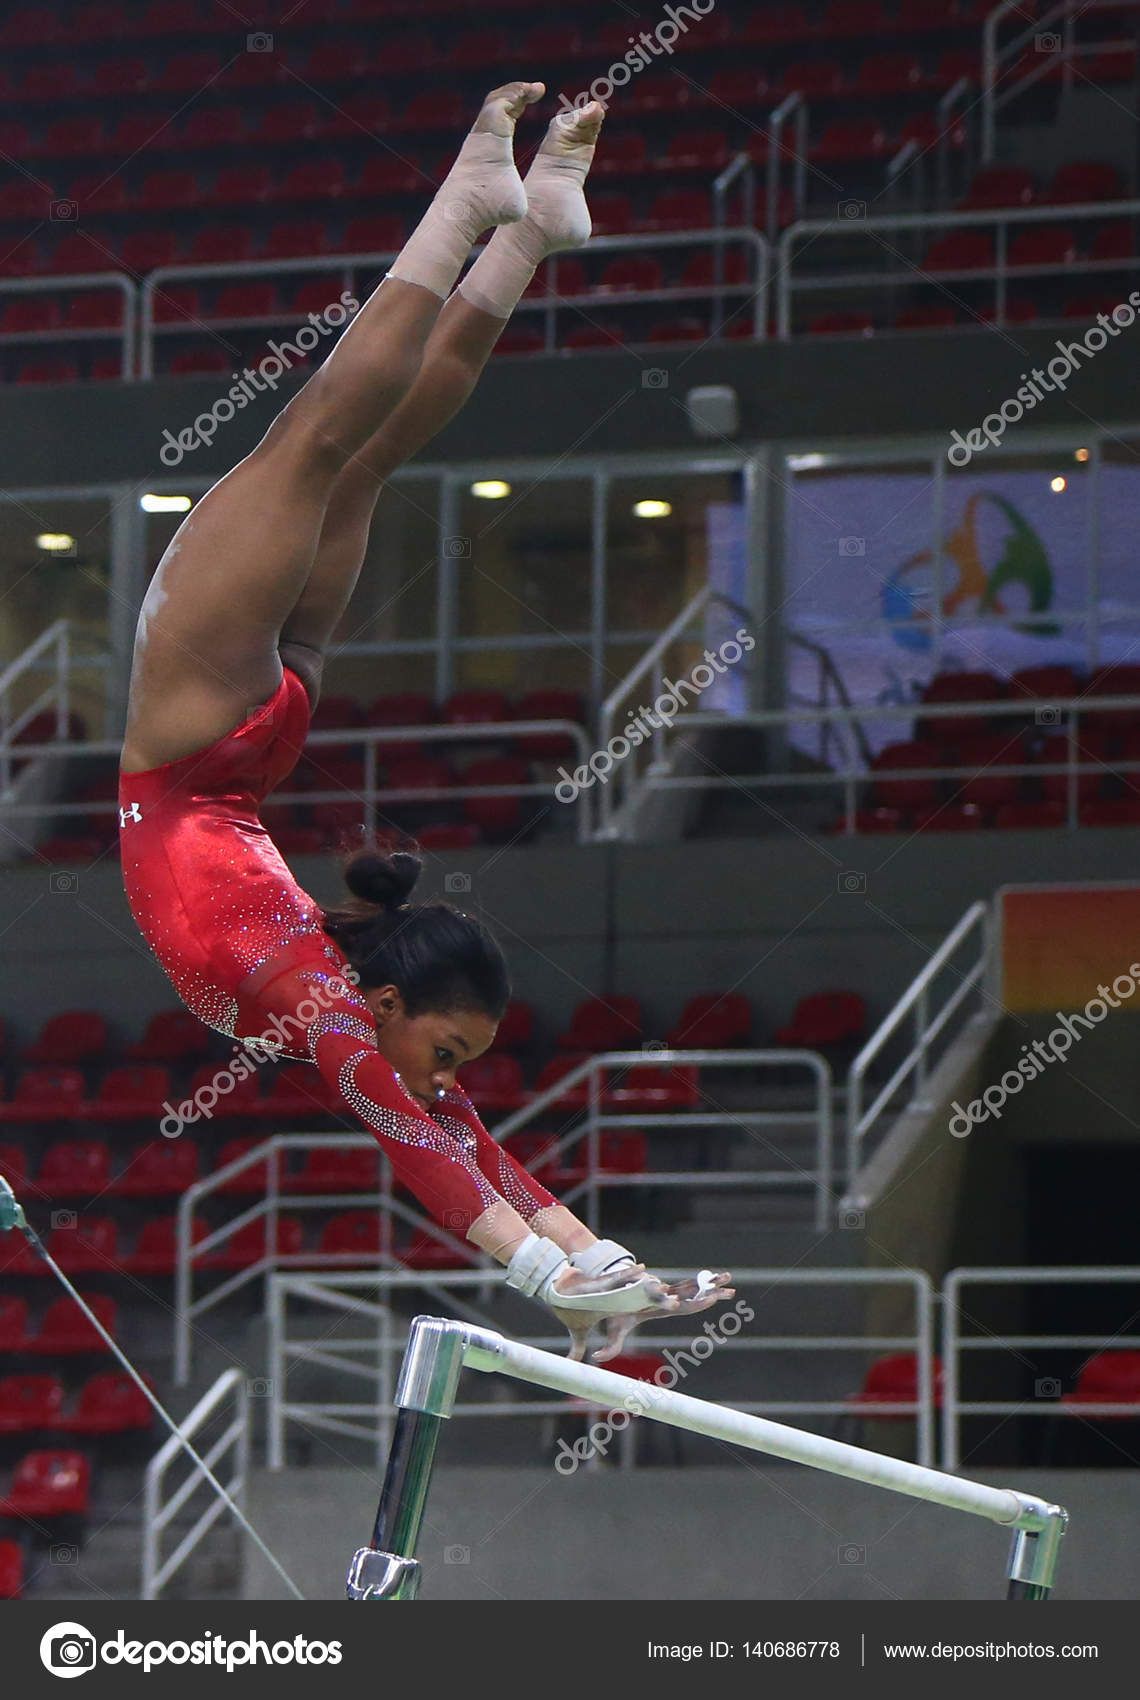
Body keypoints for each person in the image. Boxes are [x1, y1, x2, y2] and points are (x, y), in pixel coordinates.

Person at [119, 81, 733, 1360]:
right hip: (228, 742)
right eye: (451, 1048)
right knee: (346, 447)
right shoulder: (336, 1001)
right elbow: (445, 1132)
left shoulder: (328, 1006)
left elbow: (437, 1139)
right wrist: (575, 1267)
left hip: (206, 735)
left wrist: (565, 1271)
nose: (445, 1072)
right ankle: (507, 221)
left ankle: (501, 211)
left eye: (446, 1049)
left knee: (328, 438)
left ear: (394, 1001)